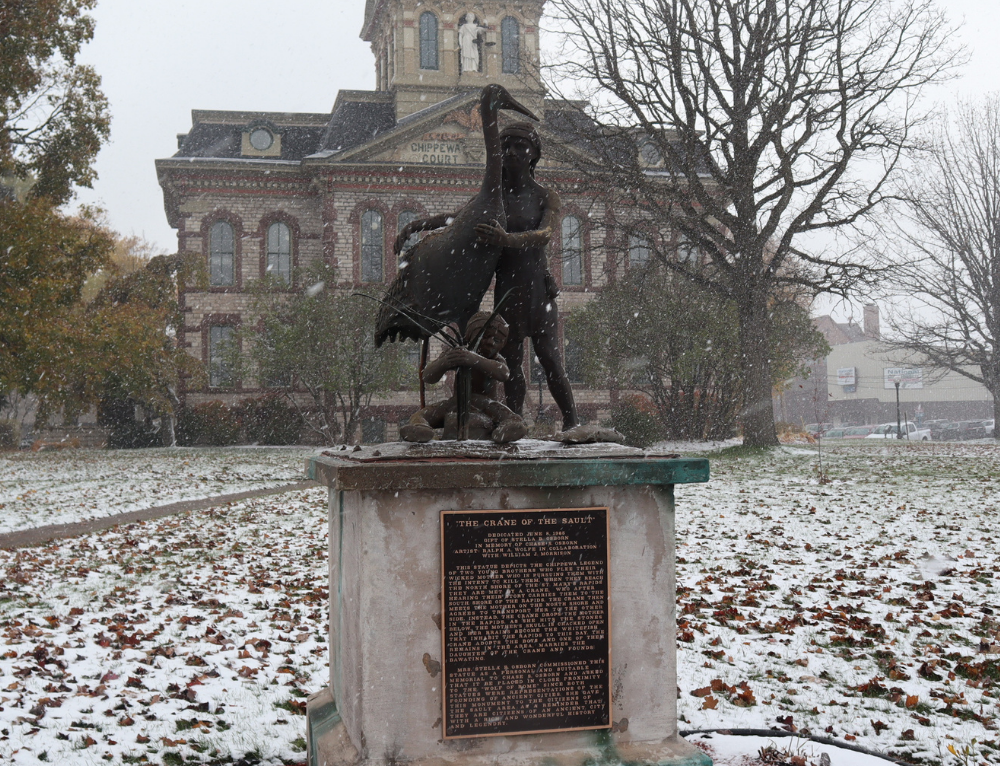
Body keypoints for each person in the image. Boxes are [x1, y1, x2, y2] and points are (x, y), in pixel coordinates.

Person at [474, 123, 580, 431]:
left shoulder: (546, 196)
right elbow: (460, 220)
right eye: (506, 146)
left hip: (538, 290)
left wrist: (505, 239)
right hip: (508, 289)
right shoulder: (495, 197)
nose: (512, 152)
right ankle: (514, 421)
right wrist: (418, 227)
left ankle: (572, 422)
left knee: (550, 359)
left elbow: (544, 234)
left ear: (534, 154)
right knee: (511, 363)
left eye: (520, 146)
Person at [399, 312, 527, 443]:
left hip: (486, 404)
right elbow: (428, 377)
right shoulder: (459, 354)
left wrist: (474, 360)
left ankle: (507, 430)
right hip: (456, 403)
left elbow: (503, 374)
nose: (490, 342)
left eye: (497, 340)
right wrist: (445, 362)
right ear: (471, 335)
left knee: (510, 417)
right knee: (420, 415)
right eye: (485, 336)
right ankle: (419, 429)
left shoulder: (495, 359)